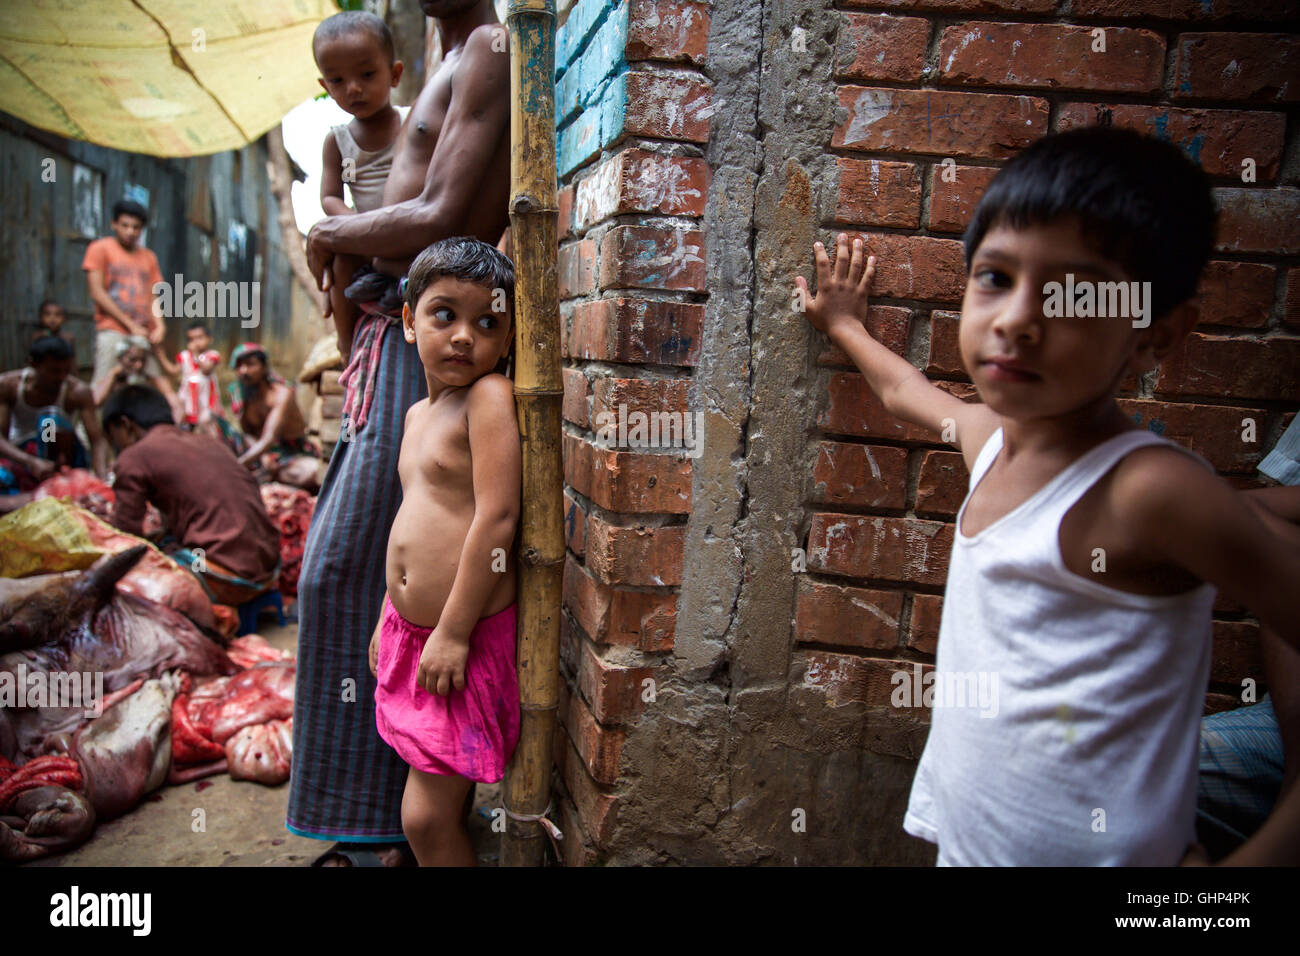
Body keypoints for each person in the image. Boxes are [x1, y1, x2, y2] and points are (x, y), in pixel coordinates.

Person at [795, 126, 1300, 865]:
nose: (1018, 321)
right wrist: (843, 324)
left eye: (1076, 295)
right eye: (996, 277)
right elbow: (907, 393)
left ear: (1156, 336)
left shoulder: (1147, 491)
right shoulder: (991, 440)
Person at [290, 0, 512, 867]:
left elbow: (441, 214)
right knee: (356, 575)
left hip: (407, 326)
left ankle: (396, 825)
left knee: (337, 566)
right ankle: (388, 824)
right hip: (391, 336)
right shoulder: (444, 58)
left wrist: (331, 231)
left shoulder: (489, 47)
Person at [367, 238, 520, 866]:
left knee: (424, 818)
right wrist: (388, 611)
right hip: (413, 632)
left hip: (462, 631)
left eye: (488, 323)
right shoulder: (414, 417)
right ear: (408, 321)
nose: (464, 337)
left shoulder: (488, 400)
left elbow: (497, 519)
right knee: (431, 795)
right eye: (444, 315)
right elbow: (414, 518)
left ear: (508, 338)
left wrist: (454, 631)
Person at [103, 385, 280, 607]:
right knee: (164, 541)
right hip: (269, 568)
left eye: (114, 439)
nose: (116, 447)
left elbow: (124, 535)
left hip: (224, 577)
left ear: (125, 425)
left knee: (134, 573)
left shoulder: (134, 457)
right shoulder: (207, 442)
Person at [314, 9, 407, 360]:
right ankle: (345, 341)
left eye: (367, 74)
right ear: (324, 86)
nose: (353, 88)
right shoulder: (338, 141)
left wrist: (388, 226)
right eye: (337, 80)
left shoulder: (413, 122)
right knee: (339, 258)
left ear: (394, 74)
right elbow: (329, 196)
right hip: (364, 232)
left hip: (407, 229)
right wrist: (355, 224)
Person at [0, 337, 107, 497]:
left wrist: (102, 478)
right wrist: (30, 461)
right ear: (34, 364)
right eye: (54, 371)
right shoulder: (9, 385)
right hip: (22, 453)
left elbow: (97, 440)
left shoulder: (77, 391)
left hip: (61, 454)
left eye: (66, 371)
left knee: (49, 420)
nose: (61, 377)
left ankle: (54, 470)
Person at [82, 199, 166, 387]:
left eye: (136, 227)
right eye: (125, 225)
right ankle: (93, 416)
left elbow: (153, 295)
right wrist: (130, 325)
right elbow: (97, 292)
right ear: (114, 224)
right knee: (104, 381)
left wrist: (160, 326)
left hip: (143, 332)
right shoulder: (99, 249)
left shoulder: (149, 257)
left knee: (144, 384)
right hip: (112, 329)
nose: (130, 231)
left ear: (142, 229)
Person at [228, 343, 320, 493]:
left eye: (250, 365)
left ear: (264, 367)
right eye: (239, 366)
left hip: (291, 454)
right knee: (210, 419)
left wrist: (236, 467)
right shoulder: (240, 395)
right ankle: (264, 473)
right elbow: (248, 434)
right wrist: (263, 458)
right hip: (259, 453)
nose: (244, 371)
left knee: (312, 473)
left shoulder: (282, 393)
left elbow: (269, 438)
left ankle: (269, 475)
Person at [153, 321, 225, 431]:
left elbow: (206, 370)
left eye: (199, 338)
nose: (195, 342)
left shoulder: (211, 355)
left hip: (206, 400)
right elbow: (173, 371)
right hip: (188, 399)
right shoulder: (184, 356)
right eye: (191, 339)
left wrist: (196, 354)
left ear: (209, 339)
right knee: (185, 425)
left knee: (208, 424)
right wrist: (161, 356)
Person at [92, 335, 182, 422]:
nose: (139, 365)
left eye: (142, 360)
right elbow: (96, 401)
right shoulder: (112, 380)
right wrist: (112, 374)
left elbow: (177, 407)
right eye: (132, 360)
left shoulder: (154, 381)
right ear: (119, 359)